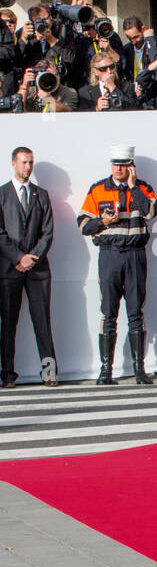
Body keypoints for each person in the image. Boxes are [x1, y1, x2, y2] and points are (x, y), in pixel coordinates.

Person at [76, 145, 157, 386]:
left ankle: (139, 370)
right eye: (115, 164)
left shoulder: (143, 188)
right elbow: (82, 225)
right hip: (109, 254)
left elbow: (151, 212)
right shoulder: (98, 189)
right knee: (108, 312)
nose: (119, 168)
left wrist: (133, 187)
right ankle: (105, 370)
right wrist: (102, 221)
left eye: (124, 164)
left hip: (135, 254)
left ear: (131, 166)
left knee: (135, 312)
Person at [0, 146, 55, 388]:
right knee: (8, 322)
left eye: (31, 162)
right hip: (9, 269)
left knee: (42, 321)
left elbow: (48, 232)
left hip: (38, 269)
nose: (28, 167)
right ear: (13, 163)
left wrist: (32, 257)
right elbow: (0, 234)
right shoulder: (1, 194)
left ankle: (50, 373)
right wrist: (18, 258)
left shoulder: (41, 195)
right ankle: (8, 375)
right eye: (24, 162)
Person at [76, 52, 140, 111]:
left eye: (111, 67)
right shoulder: (85, 92)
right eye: (103, 69)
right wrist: (96, 108)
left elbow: (132, 108)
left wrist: (112, 87)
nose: (109, 71)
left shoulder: (127, 87)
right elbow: (81, 115)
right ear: (95, 71)